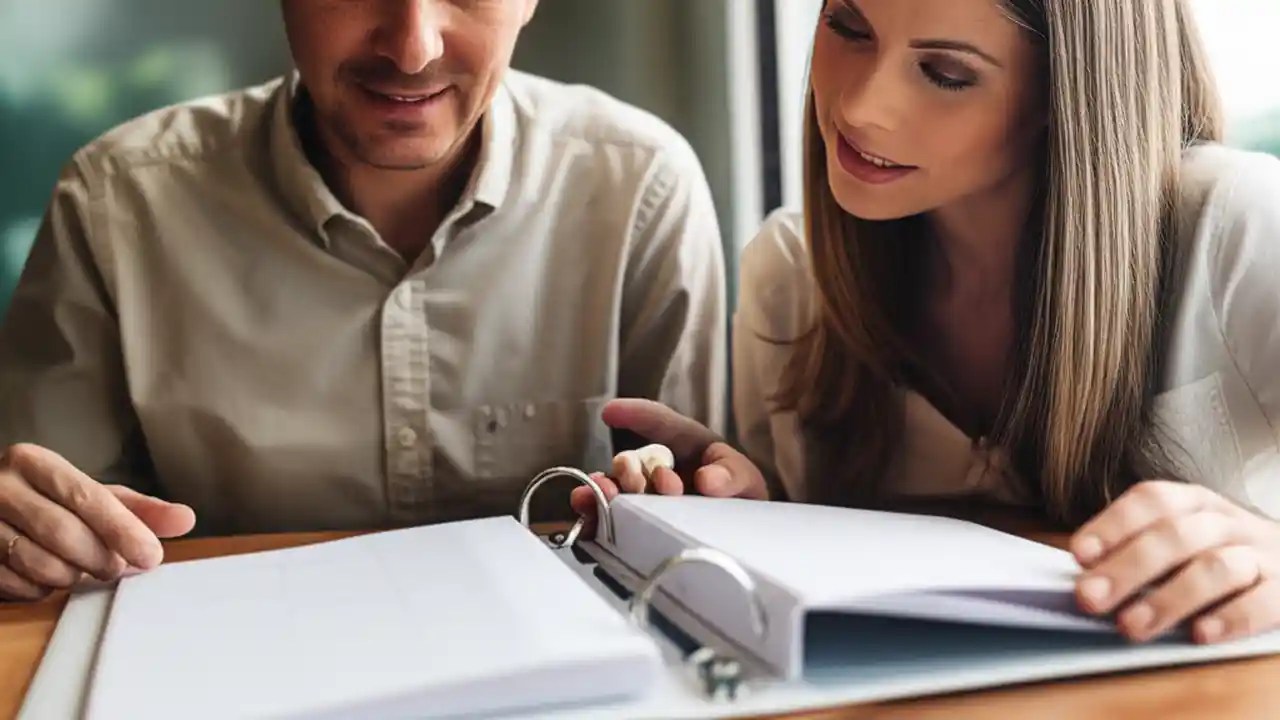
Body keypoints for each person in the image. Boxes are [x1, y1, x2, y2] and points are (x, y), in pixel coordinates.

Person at [582, 0, 1280, 646]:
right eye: (848, 28)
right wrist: (749, 512)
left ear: (1069, 89)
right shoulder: (791, 276)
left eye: (946, 73)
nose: (859, 106)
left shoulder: (1240, 228)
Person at [0, 0, 727, 600]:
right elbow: (48, 549)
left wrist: (716, 499)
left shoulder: (641, 190)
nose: (412, 48)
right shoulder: (115, 205)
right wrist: (25, 539)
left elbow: (693, 529)